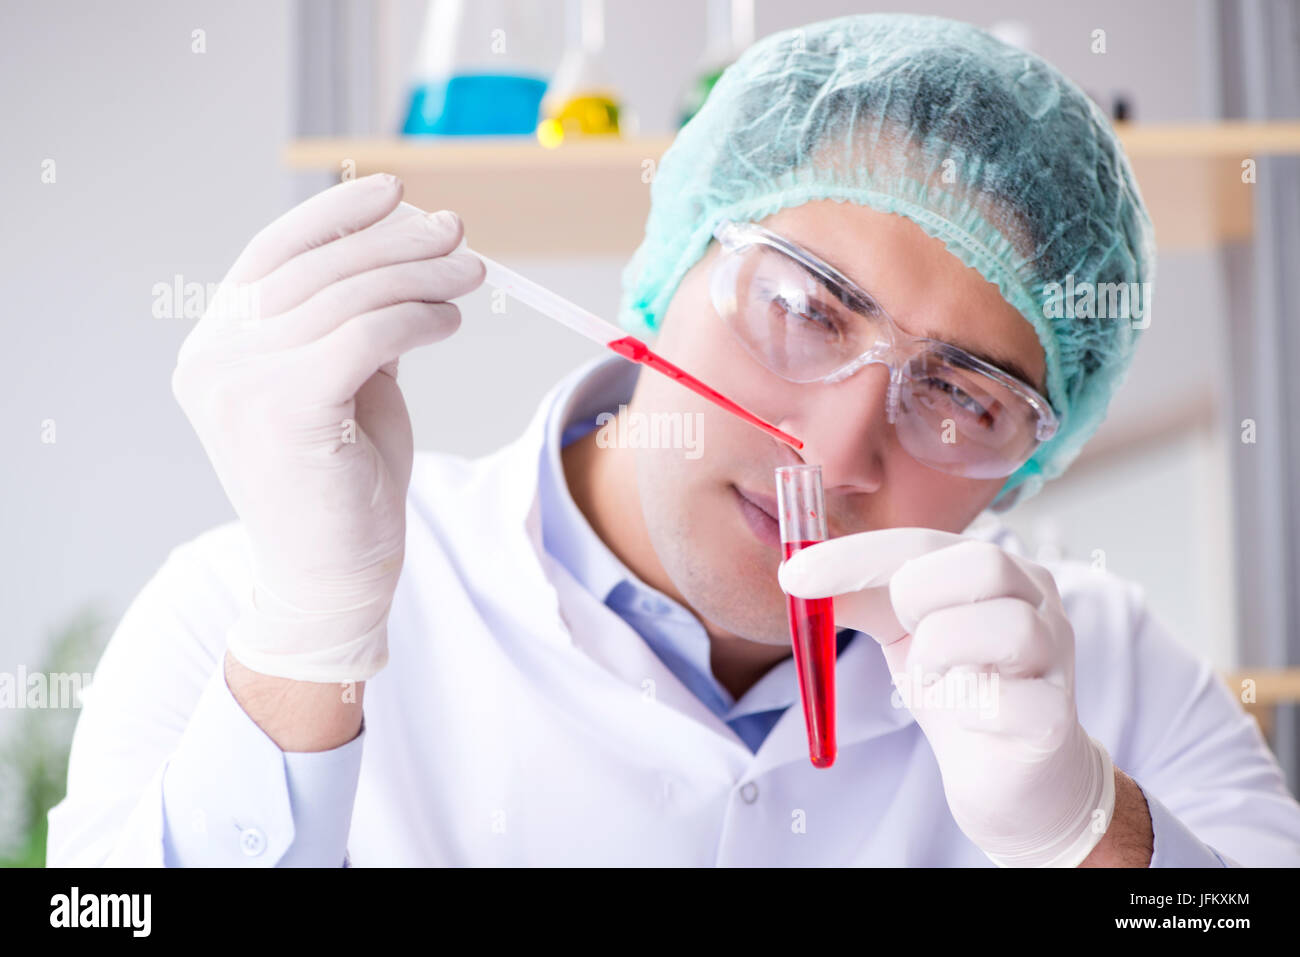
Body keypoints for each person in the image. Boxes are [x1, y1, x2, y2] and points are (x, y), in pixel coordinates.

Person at [48, 13, 1300, 867]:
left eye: (963, 399)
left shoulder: (1115, 673)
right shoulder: (244, 606)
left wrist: (1092, 833)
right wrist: (303, 659)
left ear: (1035, 452)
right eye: (806, 310)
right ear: (665, 276)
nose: (840, 448)